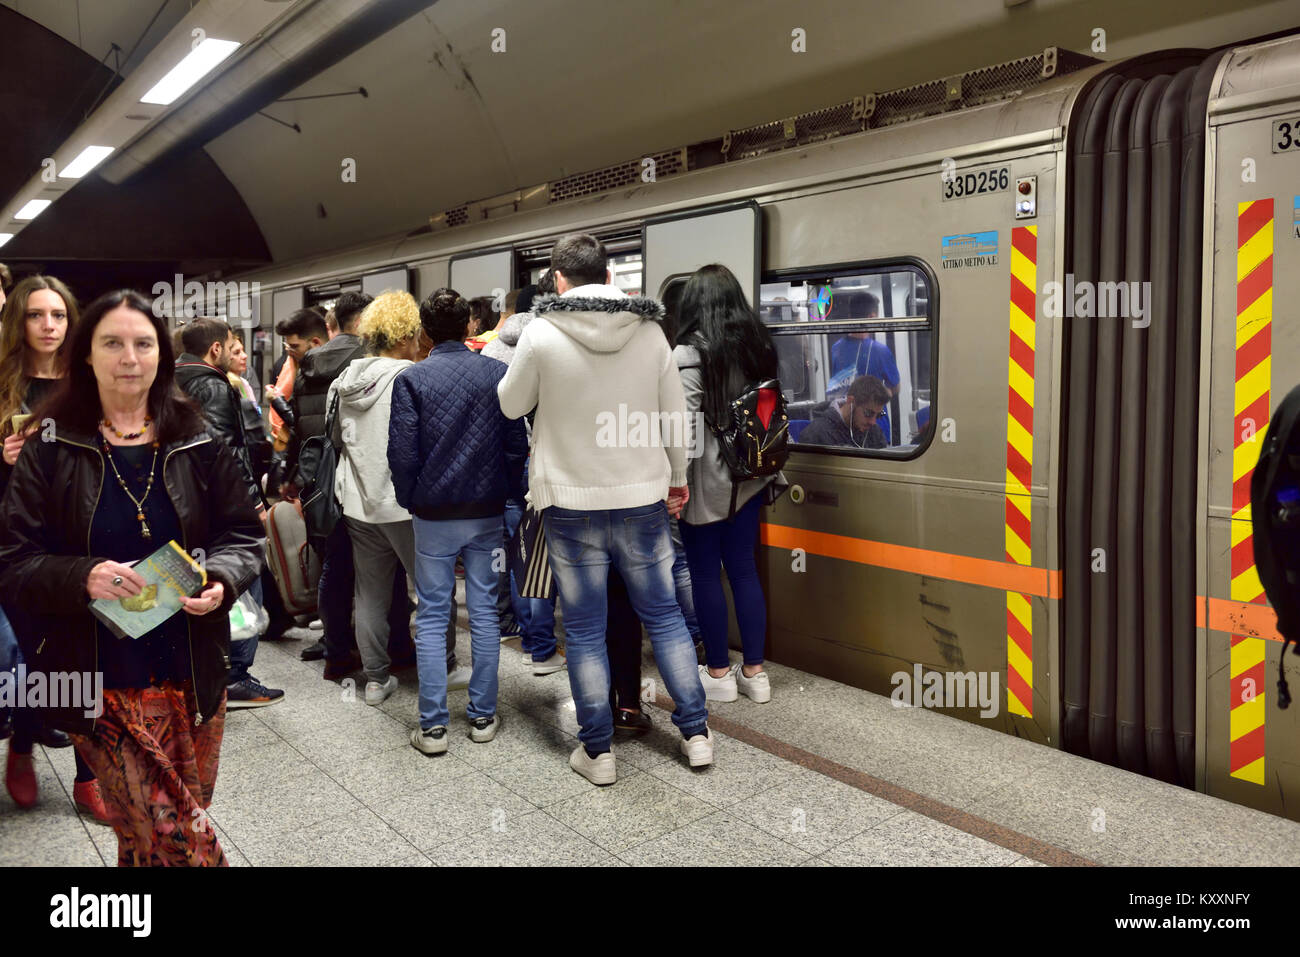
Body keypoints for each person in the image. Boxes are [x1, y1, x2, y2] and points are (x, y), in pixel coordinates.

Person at [0, 289, 264, 866]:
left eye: (143, 344)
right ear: (86, 356)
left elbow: (244, 533)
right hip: (100, 678)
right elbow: (13, 561)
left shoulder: (195, 438)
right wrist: (82, 575)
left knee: (148, 835)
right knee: (182, 841)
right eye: (111, 343)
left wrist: (220, 577)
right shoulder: (50, 446)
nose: (129, 357)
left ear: (161, 357)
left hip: (191, 668)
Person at [498, 233, 712, 785]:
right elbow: (673, 418)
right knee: (663, 617)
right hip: (642, 497)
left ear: (559, 280)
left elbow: (510, 402)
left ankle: (598, 753)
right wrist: (679, 480)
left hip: (570, 502)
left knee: (587, 629)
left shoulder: (541, 333)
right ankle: (695, 735)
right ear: (610, 277)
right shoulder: (650, 332)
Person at [390, 289, 526, 755]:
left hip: (433, 517)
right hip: (486, 514)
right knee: (486, 612)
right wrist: (507, 493)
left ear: (424, 333)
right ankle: (483, 716)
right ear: (470, 326)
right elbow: (515, 446)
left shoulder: (412, 380)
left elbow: (403, 454)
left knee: (431, 614)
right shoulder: (497, 373)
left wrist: (413, 500)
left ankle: (432, 729)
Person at [0, 275, 109, 822]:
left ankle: (89, 771)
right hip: (15, 543)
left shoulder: (86, 381)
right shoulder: (3, 384)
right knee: (27, 655)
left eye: (59, 315)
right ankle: (22, 743)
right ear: (18, 322)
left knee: (80, 653)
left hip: (75, 538)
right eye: (37, 315)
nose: (49, 325)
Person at [329, 291, 468, 705]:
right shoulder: (410, 378)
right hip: (406, 504)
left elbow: (337, 440)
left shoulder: (345, 379)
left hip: (358, 502)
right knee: (432, 588)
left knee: (368, 592)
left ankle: (375, 680)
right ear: (407, 335)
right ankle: (442, 667)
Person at [675, 264, 786, 704]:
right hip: (753, 474)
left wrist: (673, 482)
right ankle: (755, 674)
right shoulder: (758, 346)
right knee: (743, 569)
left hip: (707, 480)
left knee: (705, 573)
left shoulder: (690, 352)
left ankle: (718, 672)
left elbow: (682, 425)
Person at [174, 319, 283, 709]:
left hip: (187, 502)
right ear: (215, 349)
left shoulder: (172, 378)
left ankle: (206, 671)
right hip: (221, 503)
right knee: (243, 574)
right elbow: (228, 453)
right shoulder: (214, 385)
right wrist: (252, 502)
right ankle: (235, 674)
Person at [281, 297, 373, 676]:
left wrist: (295, 478)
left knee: (332, 566)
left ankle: (335, 650)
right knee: (380, 569)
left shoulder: (308, 366)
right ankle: (385, 646)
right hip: (362, 479)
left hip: (319, 480)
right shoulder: (372, 361)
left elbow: (299, 427)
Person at [828, 291, 900, 442]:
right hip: (876, 425)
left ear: (850, 317)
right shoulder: (881, 351)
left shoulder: (836, 348)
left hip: (845, 424)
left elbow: (835, 388)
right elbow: (895, 388)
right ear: (872, 317)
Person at [798, 374, 891, 449]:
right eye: (868, 413)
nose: (873, 422)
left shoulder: (874, 432)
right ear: (850, 401)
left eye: (878, 415)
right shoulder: (817, 434)